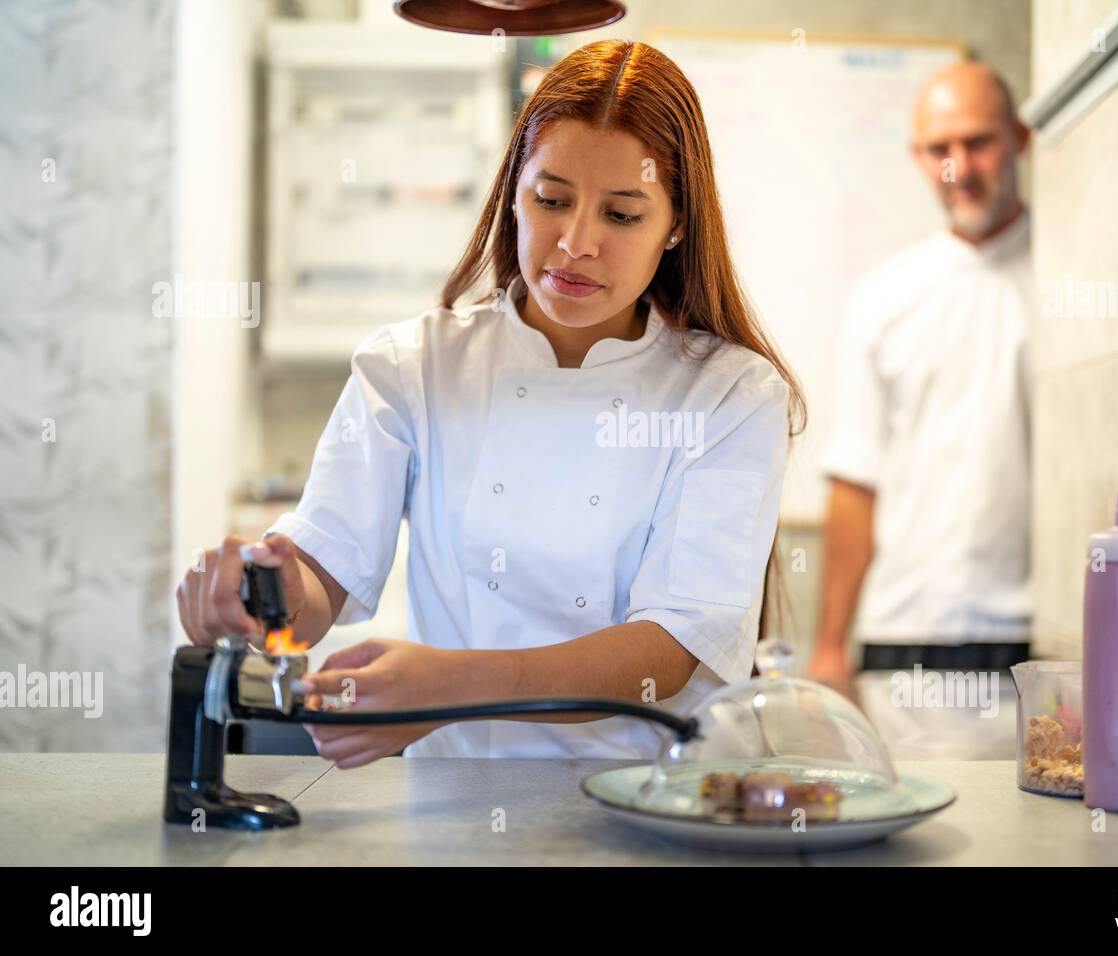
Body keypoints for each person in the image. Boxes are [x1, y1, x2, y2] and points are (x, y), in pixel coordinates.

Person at [175, 40, 805, 767]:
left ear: (678, 225)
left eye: (622, 215)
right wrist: (262, 590)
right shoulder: (416, 365)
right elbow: (323, 575)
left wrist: (448, 686)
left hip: (648, 810)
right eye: (552, 199)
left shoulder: (731, 394)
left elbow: (669, 651)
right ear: (512, 191)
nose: (575, 243)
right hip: (452, 811)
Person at [807, 60, 1032, 759]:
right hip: (899, 646)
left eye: (979, 141)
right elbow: (855, 478)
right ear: (917, 156)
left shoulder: (1070, 282)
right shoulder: (883, 297)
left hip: (1035, 647)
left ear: (1020, 139)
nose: (959, 166)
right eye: (940, 148)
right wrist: (828, 648)